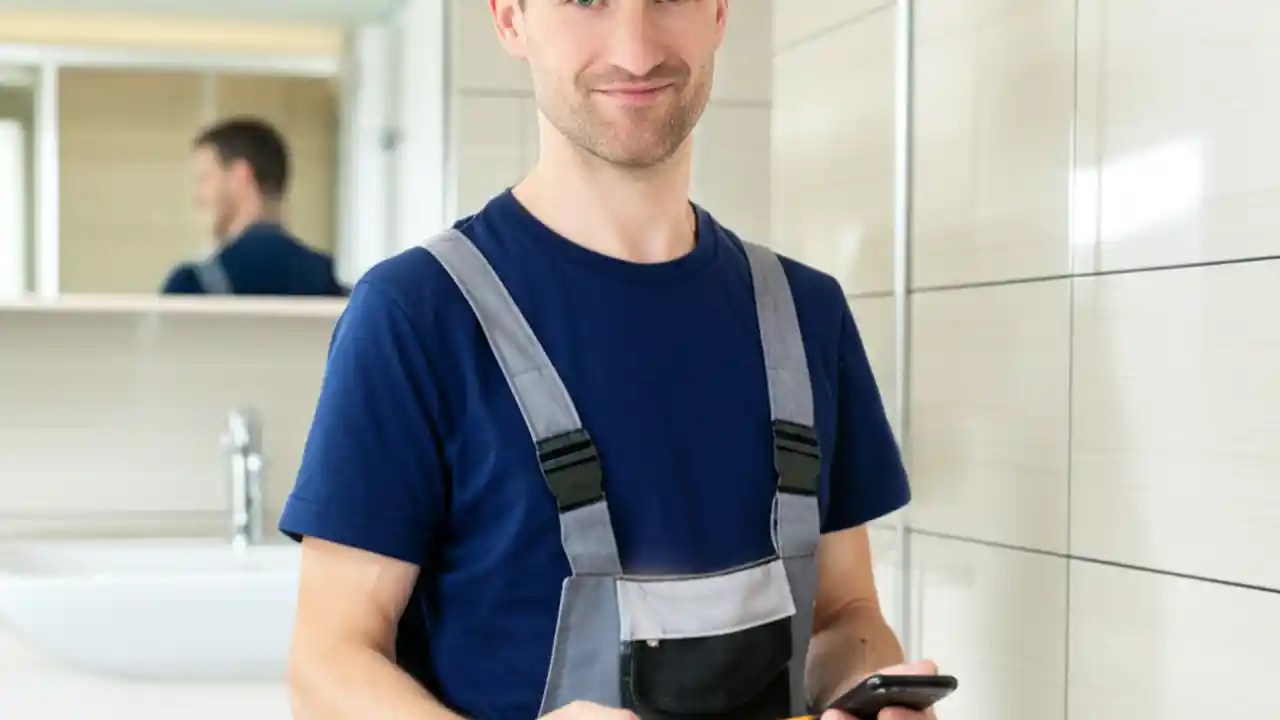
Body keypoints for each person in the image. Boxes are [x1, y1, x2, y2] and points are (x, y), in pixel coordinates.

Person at [281, 1, 941, 719]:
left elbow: (845, 614)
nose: (634, 50)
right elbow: (328, 666)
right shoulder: (415, 315)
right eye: (587, 1)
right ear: (510, 19)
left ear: (719, 11)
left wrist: (869, 694)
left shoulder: (807, 314)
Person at [161, 117, 346, 297]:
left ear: (241, 176)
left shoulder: (191, 287)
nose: (198, 197)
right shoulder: (332, 283)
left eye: (204, 179)